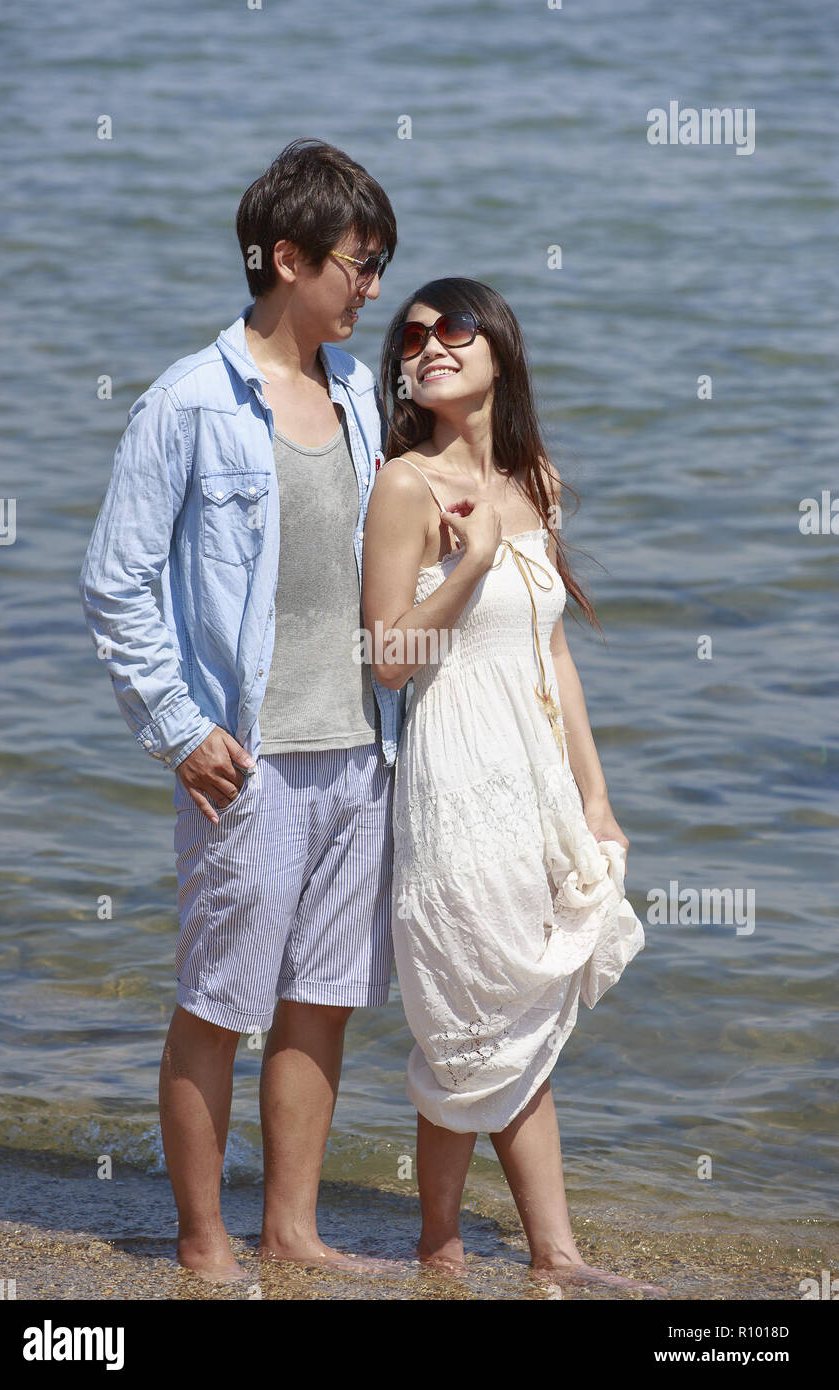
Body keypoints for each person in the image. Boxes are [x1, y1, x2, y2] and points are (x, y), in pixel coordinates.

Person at [78, 138, 405, 1280]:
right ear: (284, 258)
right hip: (247, 762)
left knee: (320, 1004)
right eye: (358, 265)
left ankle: (295, 1232)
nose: (372, 288)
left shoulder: (362, 394)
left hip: (365, 753)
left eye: (375, 266)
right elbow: (113, 582)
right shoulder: (187, 404)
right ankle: (204, 1237)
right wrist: (177, 729)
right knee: (219, 1006)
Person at [361, 278, 656, 1292]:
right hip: (454, 781)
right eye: (411, 335)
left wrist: (595, 797)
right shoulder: (404, 485)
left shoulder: (536, 476)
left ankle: (492, 1251)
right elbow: (387, 654)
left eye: (454, 326)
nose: (430, 343)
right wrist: (470, 561)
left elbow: (555, 655)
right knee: (469, 1016)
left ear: (498, 347)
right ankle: (502, 1251)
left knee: (506, 1023)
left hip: (532, 786)